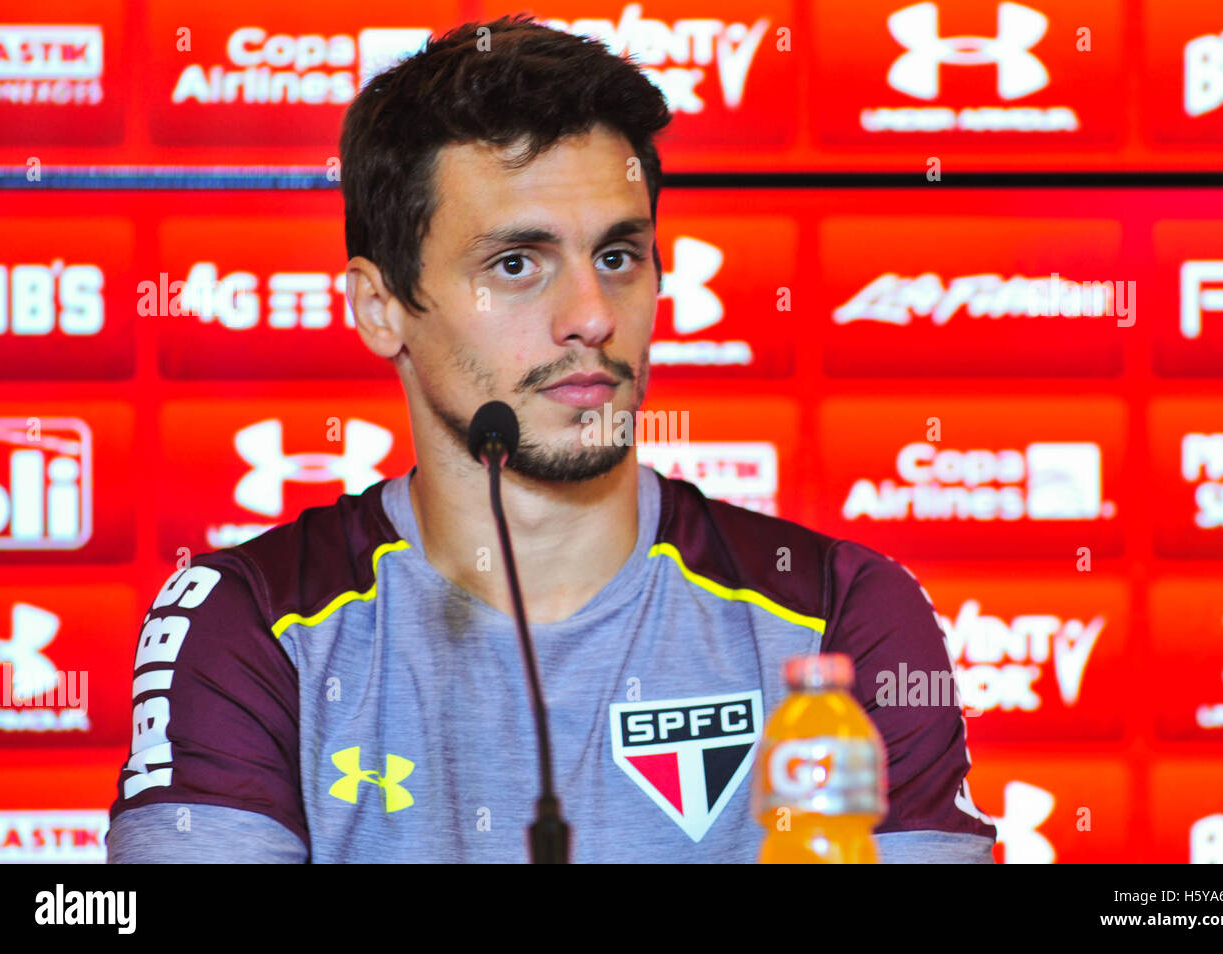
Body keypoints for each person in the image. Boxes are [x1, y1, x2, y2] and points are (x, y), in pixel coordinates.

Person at [107, 14, 998, 863]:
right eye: (516, 264)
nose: (591, 317)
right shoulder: (252, 623)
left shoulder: (841, 614)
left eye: (618, 256)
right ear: (381, 309)